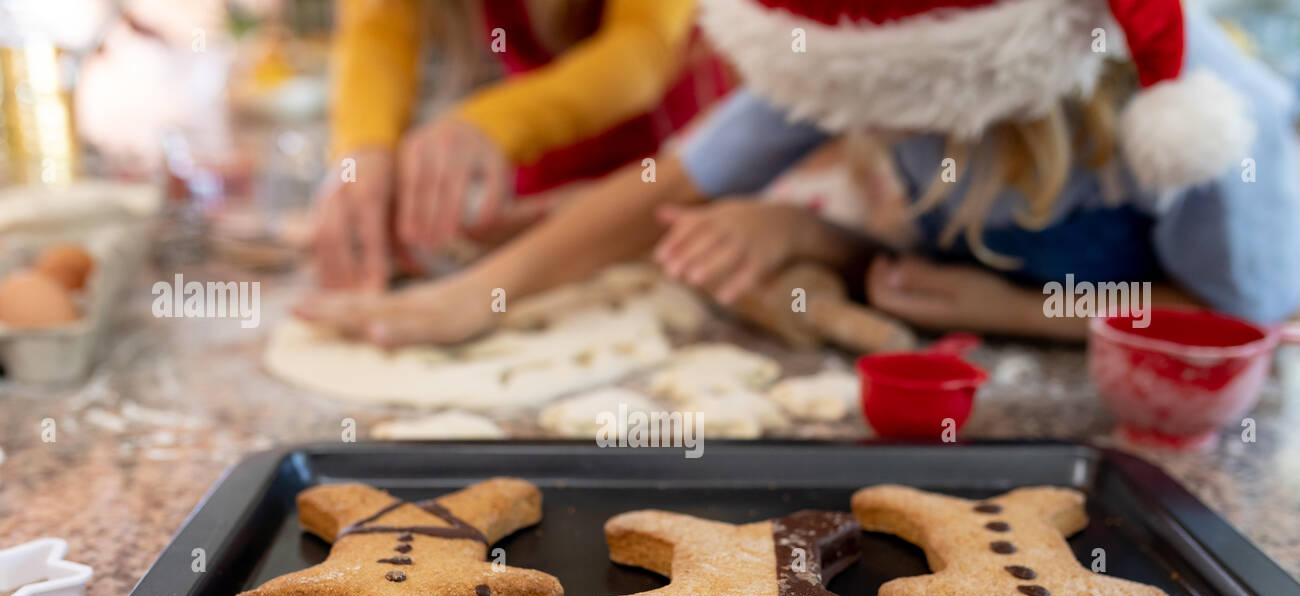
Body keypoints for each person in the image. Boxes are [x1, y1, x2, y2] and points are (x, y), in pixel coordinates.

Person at [297, 0, 1300, 346]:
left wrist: (1007, 312)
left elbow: (1248, 327)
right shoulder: (859, 53)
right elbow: (671, 180)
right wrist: (480, 296)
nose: (862, 123)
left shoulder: (1210, 127)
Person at [313, 0, 731, 291]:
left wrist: (489, 124)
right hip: (545, 158)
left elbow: (643, 49)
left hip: (681, 160)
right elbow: (376, 31)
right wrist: (364, 149)